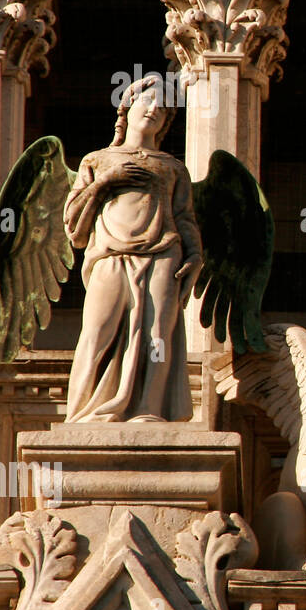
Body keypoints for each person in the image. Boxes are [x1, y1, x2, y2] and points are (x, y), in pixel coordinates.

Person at [64, 76, 202, 421]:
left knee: (158, 335)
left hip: (163, 256)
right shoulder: (98, 161)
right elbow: (73, 224)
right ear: (127, 108)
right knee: (98, 330)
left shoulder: (173, 168)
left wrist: (196, 254)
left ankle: (149, 410)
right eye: (149, 100)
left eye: (164, 108)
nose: (154, 109)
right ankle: (82, 413)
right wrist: (105, 183)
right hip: (109, 257)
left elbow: (184, 218)